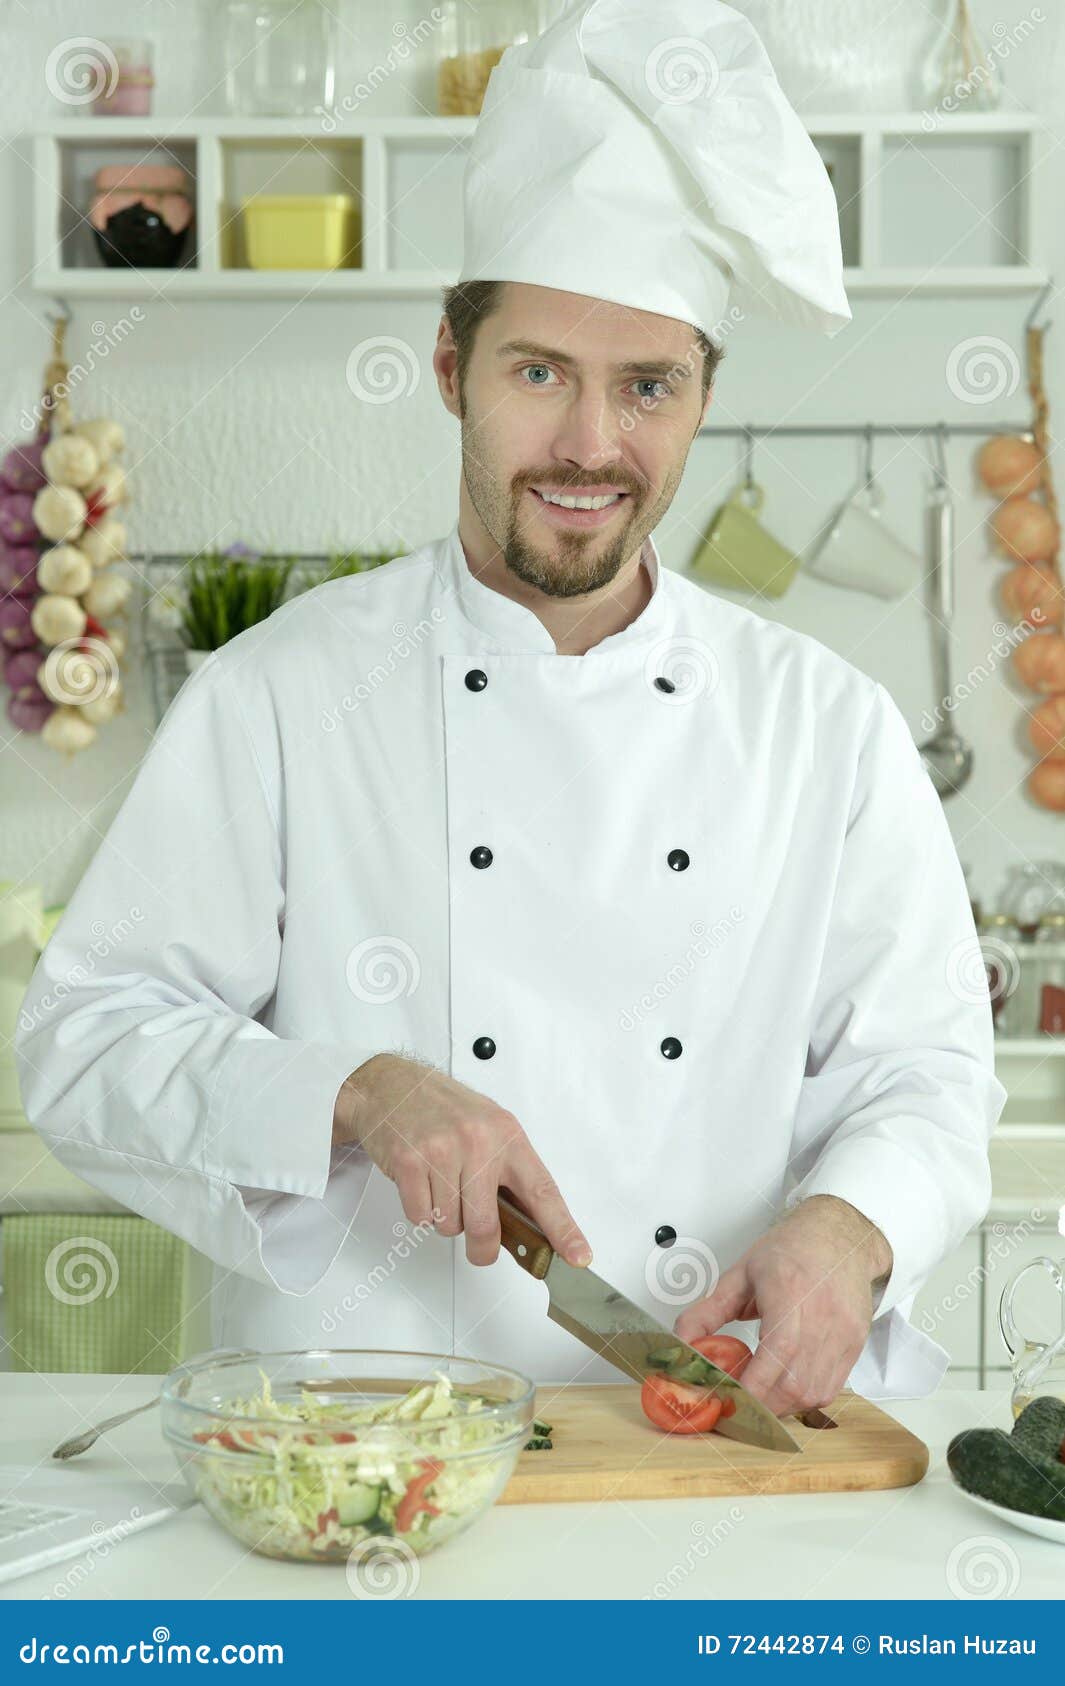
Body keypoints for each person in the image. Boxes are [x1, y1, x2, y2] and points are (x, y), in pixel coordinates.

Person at [16, 0, 1005, 1414]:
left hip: (705, 1448)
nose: (592, 446)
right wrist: (351, 1088)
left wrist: (851, 1227)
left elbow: (927, 1071)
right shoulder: (277, 698)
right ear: (446, 369)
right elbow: (87, 1037)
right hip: (352, 1454)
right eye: (539, 372)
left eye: (646, 387)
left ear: (700, 397)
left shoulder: (825, 729)